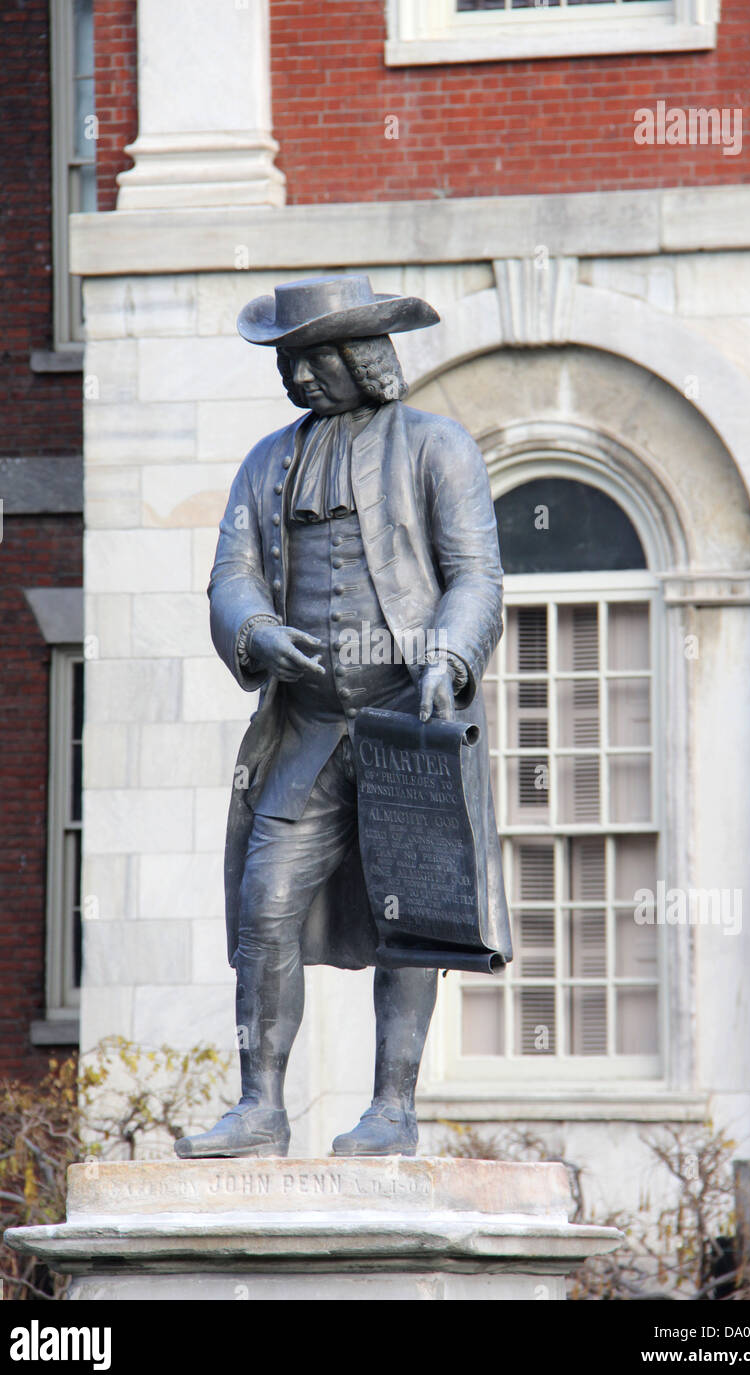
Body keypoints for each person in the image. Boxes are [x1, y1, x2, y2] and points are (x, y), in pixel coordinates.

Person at [175, 274, 510, 1160]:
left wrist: (448, 656)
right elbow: (231, 574)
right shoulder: (265, 463)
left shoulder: (437, 447)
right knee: (264, 906)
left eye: (312, 359)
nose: (296, 376)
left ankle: (392, 1109)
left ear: (362, 358)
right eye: (287, 361)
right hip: (310, 728)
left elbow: (476, 576)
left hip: (407, 716)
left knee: (413, 915)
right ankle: (260, 1107)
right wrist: (255, 630)